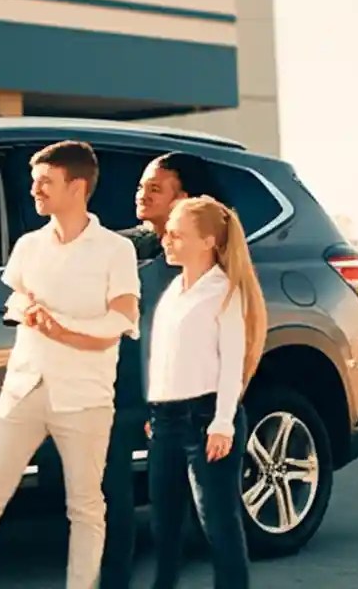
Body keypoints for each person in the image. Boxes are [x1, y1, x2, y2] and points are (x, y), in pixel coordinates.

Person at [0, 141, 141, 589]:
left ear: (78, 186)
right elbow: (14, 296)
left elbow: (122, 319)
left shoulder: (114, 250)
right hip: (23, 389)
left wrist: (61, 328)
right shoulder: (29, 245)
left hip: (85, 396)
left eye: (45, 182)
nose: (35, 190)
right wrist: (27, 307)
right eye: (35, 182)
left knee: (85, 506)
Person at [101, 151, 226, 589]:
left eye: (155, 188)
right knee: (111, 509)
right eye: (141, 186)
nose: (142, 194)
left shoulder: (210, 262)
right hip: (117, 398)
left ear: (186, 199)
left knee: (195, 512)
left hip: (176, 403)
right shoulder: (120, 246)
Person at [144, 195, 265, 588]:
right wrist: (156, 409)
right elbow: (166, 357)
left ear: (208, 241)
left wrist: (223, 423)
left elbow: (232, 363)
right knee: (164, 527)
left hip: (206, 419)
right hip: (165, 420)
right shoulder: (174, 290)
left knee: (218, 523)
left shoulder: (224, 292)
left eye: (178, 235)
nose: (167, 240)